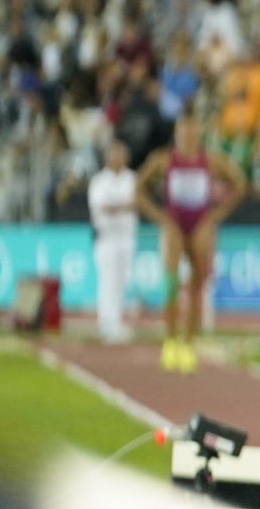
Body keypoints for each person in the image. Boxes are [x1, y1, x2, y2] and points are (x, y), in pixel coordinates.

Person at [133, 114, 242, 372]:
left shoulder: (210, 161)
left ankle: (188, 343)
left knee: (197, 282)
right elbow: (138, 190)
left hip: (199, 222)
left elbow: (239, 184)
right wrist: (160, 218)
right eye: (184, 134)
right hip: (174, 222)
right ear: (176, 135)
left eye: (192, 134)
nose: (188, 139)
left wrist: (216, 216)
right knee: (171, 280)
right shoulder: (163, 160)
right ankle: (171, 340)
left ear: (198, 136)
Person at [87, 140, 139, 344]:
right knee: (107, 280)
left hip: (126, 237)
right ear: (107, 157)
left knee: (122, 281)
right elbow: (101, 208)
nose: (118, 158)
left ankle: (116, 321)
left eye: (121, 153)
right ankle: (107, 324)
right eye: (114, 153)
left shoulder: (132, 179)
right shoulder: (99, 181)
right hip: (107, 237)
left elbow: (137, 203)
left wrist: (116, 207)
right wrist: (124, 206)